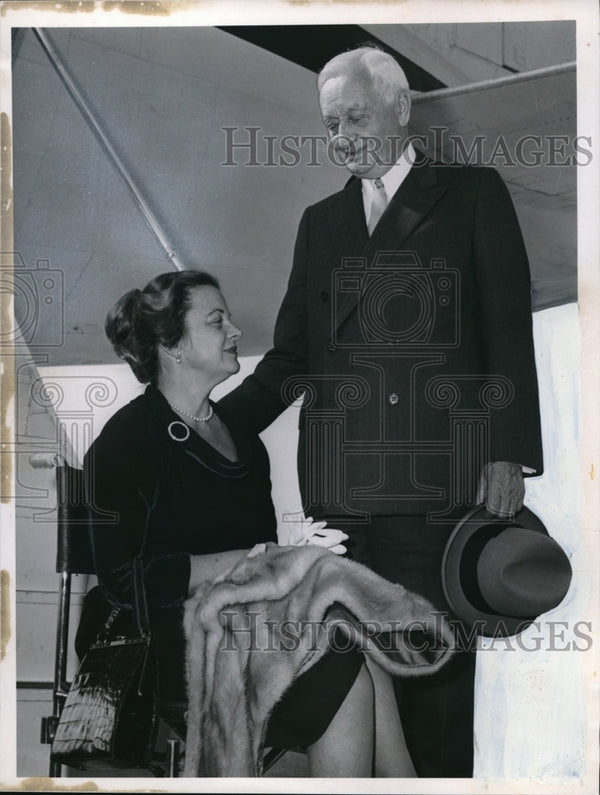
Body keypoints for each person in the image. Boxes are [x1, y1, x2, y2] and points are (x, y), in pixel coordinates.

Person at [219, 46, 544, 777]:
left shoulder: (470, 194)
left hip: (436, 496)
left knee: (432, 691)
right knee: (344, 697)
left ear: (402, 108)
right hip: (339, 503)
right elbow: (291, 358)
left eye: (355, 118)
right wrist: (211, 427)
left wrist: (506, 448)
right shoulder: (320, 222)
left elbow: (505, 328)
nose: (341, 139)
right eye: (331, 126)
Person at [75, 269, 415, 777]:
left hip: (237, 625)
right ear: (172, 346)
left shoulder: (239, 437)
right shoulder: (127, 442)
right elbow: (124, 582)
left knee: (353, 633)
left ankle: (407, 785)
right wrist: (251, 560)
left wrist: (291, 565)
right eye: (217, 321)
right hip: (159, 643)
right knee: (339, 670)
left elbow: (259, 563)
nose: (235, 331)